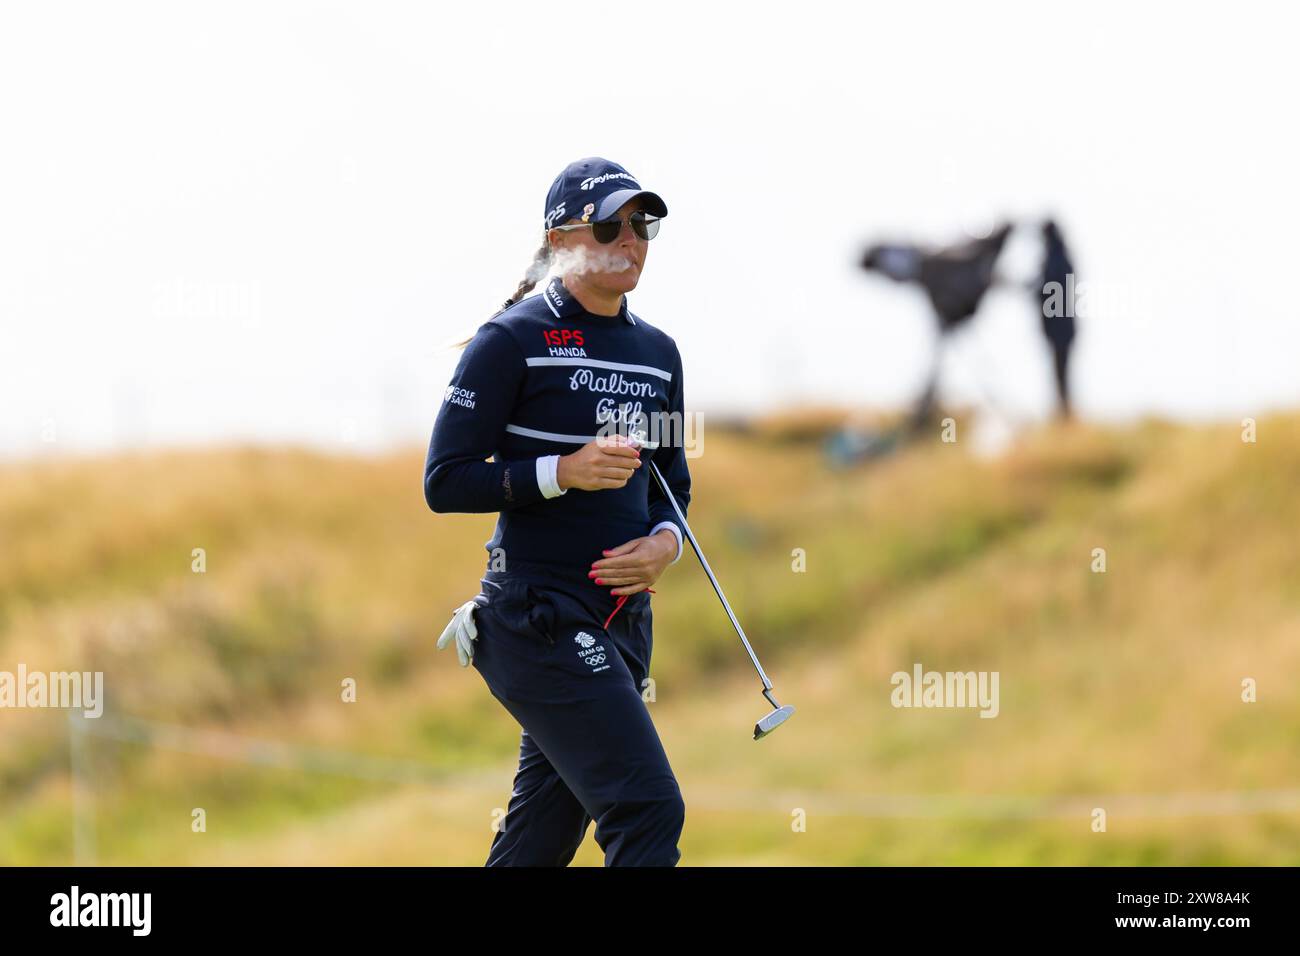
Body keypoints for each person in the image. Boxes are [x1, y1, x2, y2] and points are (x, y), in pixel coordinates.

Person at [423, 157, 691, 866]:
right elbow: (445, 481)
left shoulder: (659, 355)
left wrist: (666, 544)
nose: (630, 240)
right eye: (610, 224)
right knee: (648, 807)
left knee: (538, 842)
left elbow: (673, 489)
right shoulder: (511, 340)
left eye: (644, 224)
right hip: (535, 618)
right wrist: (560, 473)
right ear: (562, 237)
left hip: (623, 624)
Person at [1037, 218, 1077, 421]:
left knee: (1061, 374)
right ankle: (1064, 413)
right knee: (1061, 374)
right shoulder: (1061, 258)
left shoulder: (1056, 261)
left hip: (1059, 329)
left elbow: (1048, 292)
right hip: (1062, 328)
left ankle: (1064, 414)